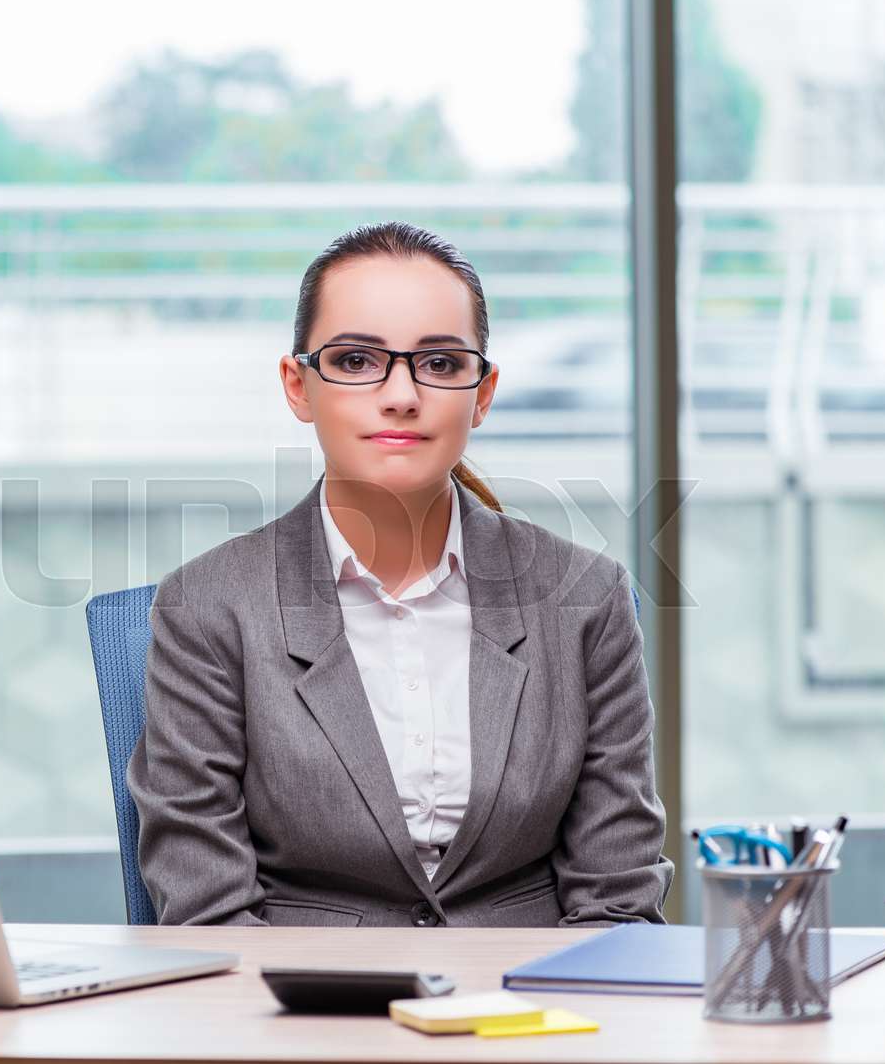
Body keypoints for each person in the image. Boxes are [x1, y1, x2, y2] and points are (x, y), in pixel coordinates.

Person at [126, 221, 673, 927]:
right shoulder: (209, 606)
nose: (402, 394)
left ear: (483, 392)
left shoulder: (585, 599)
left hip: (530, 1015)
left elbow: (618, 900)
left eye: (441, 364)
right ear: (298, 386)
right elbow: (208, 908)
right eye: (356, 361)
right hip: (302, 1016)